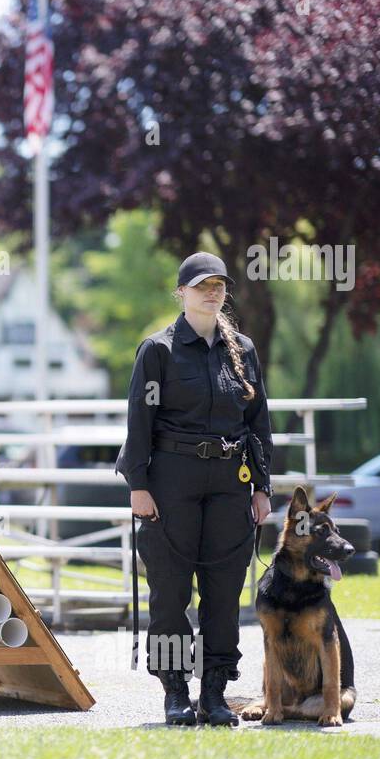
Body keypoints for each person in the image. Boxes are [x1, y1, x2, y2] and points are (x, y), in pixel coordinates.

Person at [114, 252, 273, 726]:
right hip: (170, 480)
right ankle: (175, 691)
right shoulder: (158, 350)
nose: (212, 291)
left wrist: (262, 487)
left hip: (230, 481)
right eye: (202, 284)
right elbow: (138, 422)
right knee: (170, 591)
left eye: (219, 284)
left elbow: (259, 422)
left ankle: (216, 692)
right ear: (181, 292)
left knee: (224, 593)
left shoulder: (241, 349)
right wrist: (138, 485)